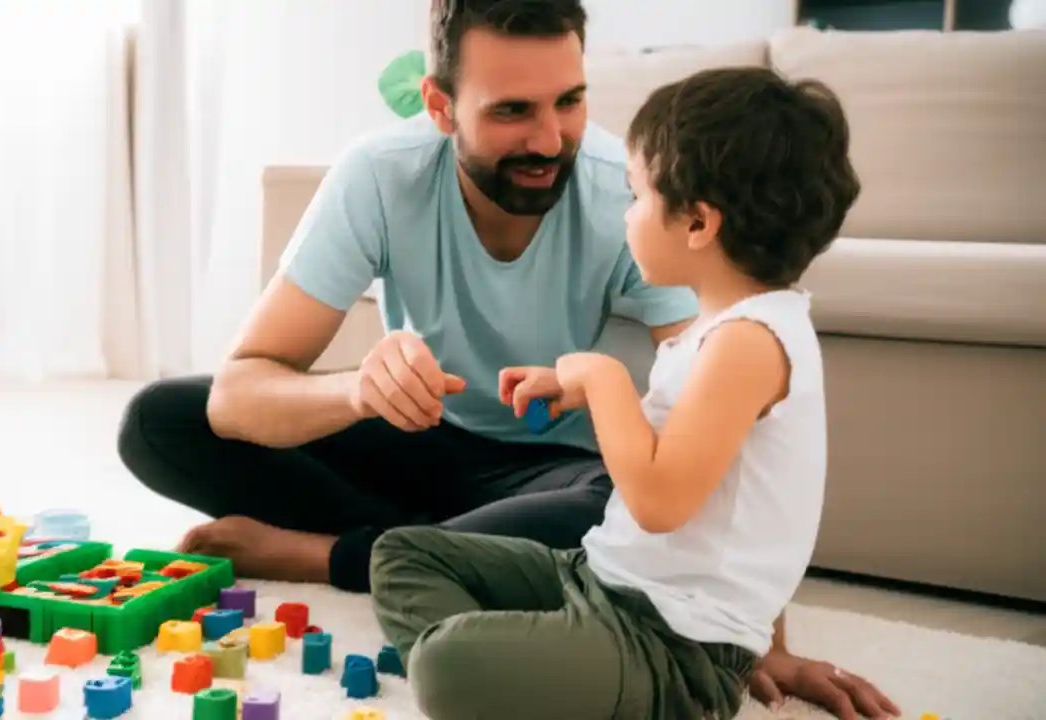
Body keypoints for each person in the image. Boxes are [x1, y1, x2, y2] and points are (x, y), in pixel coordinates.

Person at [117, 1, 898, 716]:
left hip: (568, 475)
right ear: (440, 107)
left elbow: (726, 443)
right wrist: (358, 391)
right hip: (423, 442)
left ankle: (332, 554)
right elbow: (234, 397)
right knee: (159, 423)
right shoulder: (379, 177)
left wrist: (762, 636)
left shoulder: (638, 199)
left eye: (570, 101)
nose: (551, 140)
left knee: (610, 525)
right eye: (513, 111)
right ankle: (449, 544)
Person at [369, 64, 885, 720]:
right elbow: (743, 500)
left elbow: (659, 501)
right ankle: (524, 678)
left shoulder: (749, 344)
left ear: (698, 223)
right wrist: (573, 385)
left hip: (670, 646)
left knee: (446, 665)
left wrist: (603, 377)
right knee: (401, 553)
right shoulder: (724, 332)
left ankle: (511, 676)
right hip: (604, 580)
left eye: (636, 196)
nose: (627, 214)